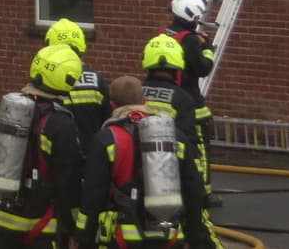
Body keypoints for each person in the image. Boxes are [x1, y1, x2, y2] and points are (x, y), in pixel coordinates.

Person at [74, 76, 214, 249]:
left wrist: (83, 239)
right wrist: (195, 238)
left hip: (121, 238)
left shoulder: (106, 139)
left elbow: (92, 196)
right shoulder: (175, 136)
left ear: (112, 105)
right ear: (144, 100)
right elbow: (193, 190)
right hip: (169, 235)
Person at [0, 43, 84, 249]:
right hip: (42, 225)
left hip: (7, 216)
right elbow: (67, 178)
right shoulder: (60, 122)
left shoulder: (16, 111)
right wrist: (73, 223)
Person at [141, 35, 223, 248]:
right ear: (178, 67)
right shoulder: (183, 99)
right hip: (170, 177)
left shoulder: (136, 93)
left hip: (136, 173)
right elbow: (187, 144)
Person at [160, 0, 217, 203]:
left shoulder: (164, 34)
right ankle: (204, 194)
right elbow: (203, 68)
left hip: (168, 99)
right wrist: (208, 49)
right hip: (191, 101)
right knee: (199, 148)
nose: (198, 21)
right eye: (196, 17)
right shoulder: (191, 40)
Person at [44, 18, 111, 156]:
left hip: (59, 164)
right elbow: (107, 124)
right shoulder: (97, 81)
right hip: (94, 162)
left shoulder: (46, 81)